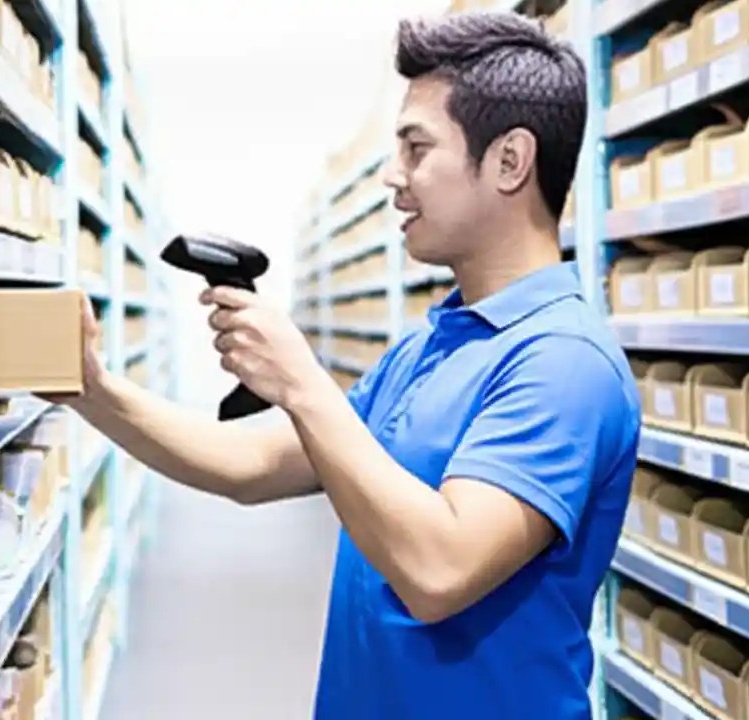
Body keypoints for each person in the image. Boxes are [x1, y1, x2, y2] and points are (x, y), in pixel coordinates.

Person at [50, 9, 640, 719]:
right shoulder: (432, 344)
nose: (395, 176)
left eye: (417, 148)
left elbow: (440, 567)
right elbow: (249, 463)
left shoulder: (564, 363)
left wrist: (299, 380)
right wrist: (91, 388)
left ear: (510, 161)